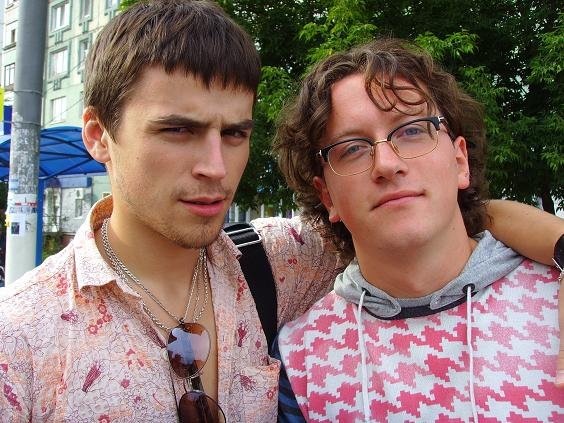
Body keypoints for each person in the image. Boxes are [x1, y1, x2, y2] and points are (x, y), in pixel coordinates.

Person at [0, 1, 561, 421]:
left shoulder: (273, 262)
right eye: (178, 131)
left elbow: (420, 217)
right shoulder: (21, 338)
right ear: (99, 134)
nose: (215, 167)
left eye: (234, 133)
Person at [274, 38, 564, 422]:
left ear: (459, 161)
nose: (386, 164)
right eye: (352, 148)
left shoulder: (554, 298)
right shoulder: (299, 366)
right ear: (327, 196)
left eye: (411, 130)